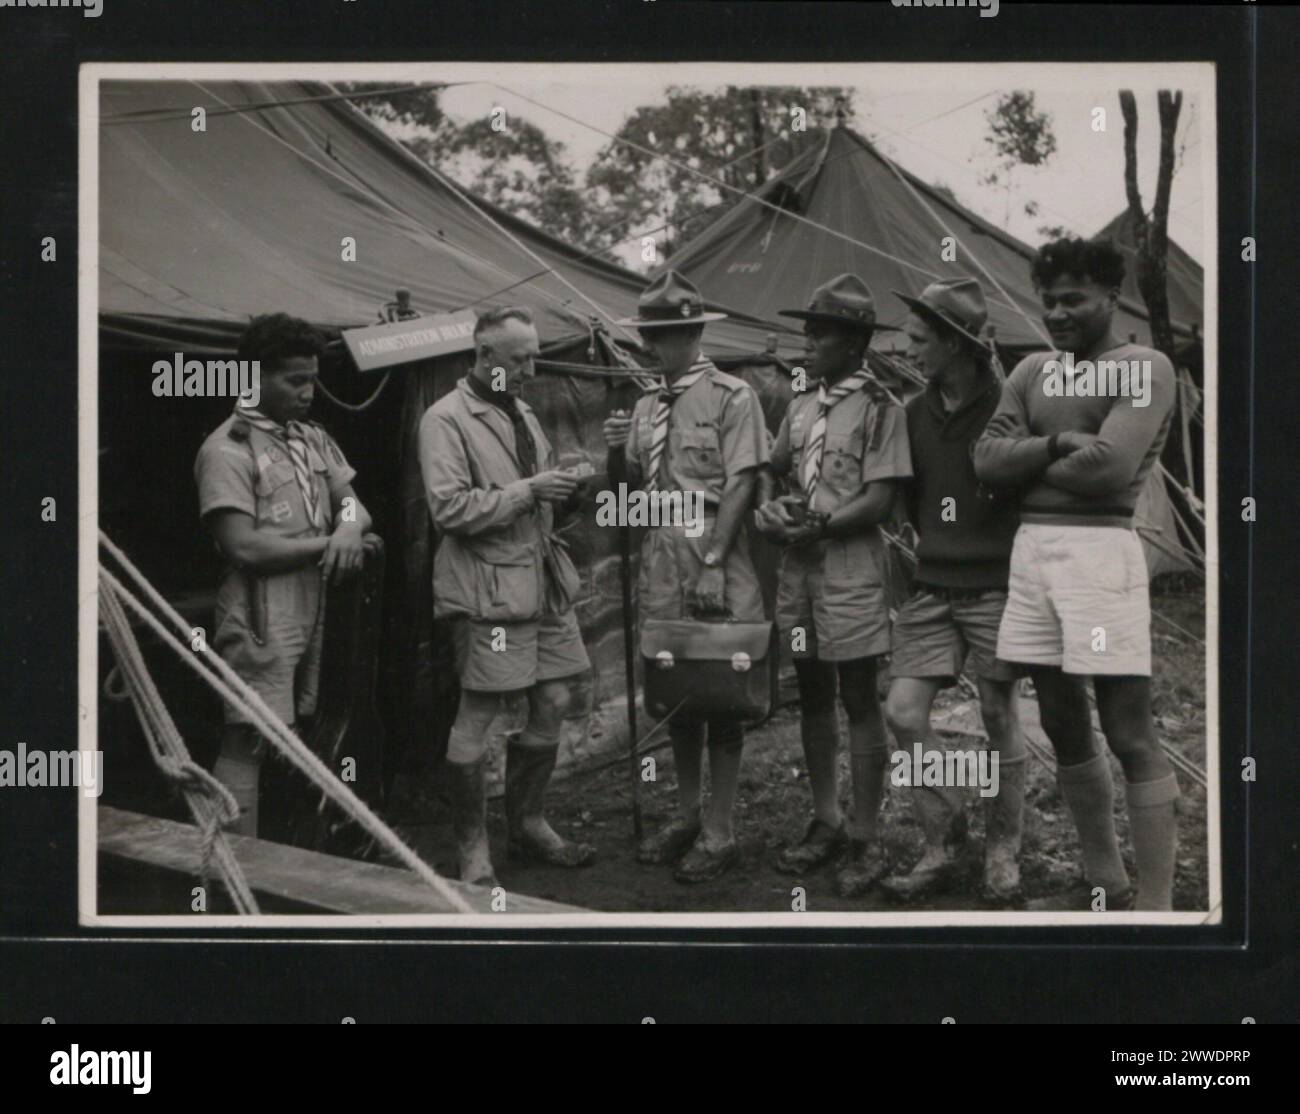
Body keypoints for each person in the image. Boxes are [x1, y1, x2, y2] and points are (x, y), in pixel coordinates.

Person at [974, 237, 1181, 911]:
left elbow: (1111, 471)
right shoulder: (1032, 370)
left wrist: (1027, 467)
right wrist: (1060, 444)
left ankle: (1157, 908)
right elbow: (984, 460)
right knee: (1063, 721)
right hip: (1033, 554)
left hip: (1100, 554)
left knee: (1128, 732)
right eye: (1049, 300)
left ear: (1110, 298)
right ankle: (1105, 876)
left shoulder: (1144, 366)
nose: (1057, 313)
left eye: (1074, 299)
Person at [419, 306, 596, 887]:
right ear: (483, 357)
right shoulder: (444, 420)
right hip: (487, 590)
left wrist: (566, 484)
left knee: (555, 697)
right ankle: (473, 850)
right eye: (518, 359)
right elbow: (449, 509)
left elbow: (538, 497)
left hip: (543, 583)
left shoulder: (522, 413)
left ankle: (528, 822)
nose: (530, 368)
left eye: (534, 356)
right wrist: (529, 490)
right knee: (482, 712)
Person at [603, 271, 769, 883]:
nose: (660, 345)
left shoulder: (733, 395)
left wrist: (713, 561)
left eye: (672, 333)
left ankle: (722, 830)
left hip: (709, 545)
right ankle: (688, 813)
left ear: (696, 332)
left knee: (721, 687)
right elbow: (624, 496)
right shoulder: (646, 405)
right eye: (652, 334)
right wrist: (618, 451)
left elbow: (743, 482)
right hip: (658, 548)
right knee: (677, 693)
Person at [754, 274, 913, 897]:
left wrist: (820, 524)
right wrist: (770, 510)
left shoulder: (881, 408)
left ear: (856, 342)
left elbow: (879, 499)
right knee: (812, 691)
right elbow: (772, 469)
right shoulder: (800, 406)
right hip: (798, 572)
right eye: (808, 332)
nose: (808, 344)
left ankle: (866, 836)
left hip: (849, 570)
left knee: (859, 697)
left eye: (821, 334)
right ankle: (825, 817)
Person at [195, 313, 373, 837]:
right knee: (248, 734)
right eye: (295, 380)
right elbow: (243, 546)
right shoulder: (228, 447)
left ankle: (293, 852)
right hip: (260, 605)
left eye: (312, 379)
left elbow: (356, 509)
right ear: (254, 376)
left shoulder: (312, 439)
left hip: (317, 595)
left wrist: (346, 531)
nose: (308, 392)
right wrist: (334, 540)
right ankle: (232, 866)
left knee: (304, 727)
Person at [879, 278, 1026, 904]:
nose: (909, 351)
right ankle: (943, 836)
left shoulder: (1008, 405)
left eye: (919, 340)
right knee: (902, 712)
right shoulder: (913, 413)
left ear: (958, 343)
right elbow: (911, 506)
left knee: (998, 715)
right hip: (933, 587)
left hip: (995, 587)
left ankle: (1003, 851)